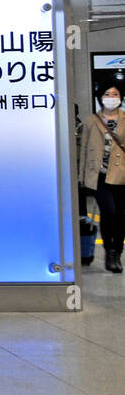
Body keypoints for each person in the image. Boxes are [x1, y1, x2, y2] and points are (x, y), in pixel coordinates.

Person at [79, 84, 125, 273]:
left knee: (121, 216)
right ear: (100, 97)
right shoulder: (91, 121)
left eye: (115, 94)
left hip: (121, 175)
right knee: (108, 211)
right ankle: (109, 250)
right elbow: (83, 148)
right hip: (98, 175)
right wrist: (82, 176)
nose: (111, 97)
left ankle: (117, 254)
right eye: (107, 94)